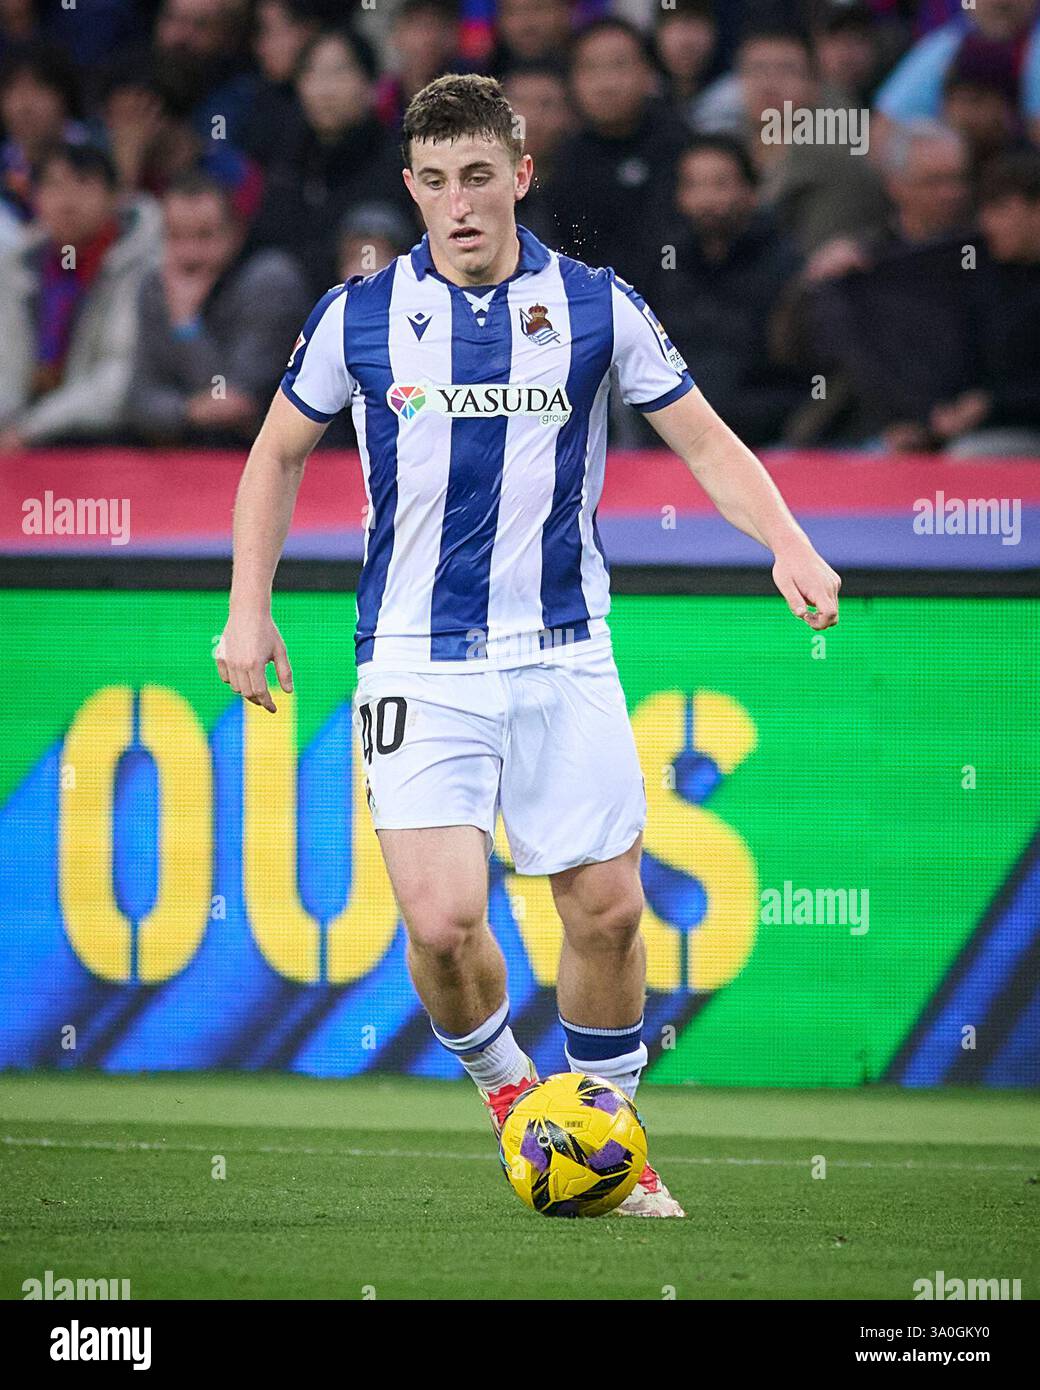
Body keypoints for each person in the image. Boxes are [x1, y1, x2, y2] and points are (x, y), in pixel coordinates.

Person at [215, 73, 840, 1218]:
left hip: (562, 651)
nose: (459, 204)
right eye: (436, 182)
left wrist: (786, 543)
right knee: (443, 924)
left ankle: (609, 1132)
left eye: (479, 179)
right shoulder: (357, 314)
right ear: (410, 187)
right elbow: (273, 454)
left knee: (604, 909)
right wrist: (245, 609)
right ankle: (517, 1100)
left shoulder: (597, 306)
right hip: (412, 655)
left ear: (520, 177)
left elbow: (702, 441)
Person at [128, 173, 309, 445]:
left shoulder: (270, 283)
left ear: (236, 232)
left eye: (205, 236)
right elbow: (137, 400)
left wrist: (186, 325)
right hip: (176, 455)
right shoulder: (156, 286)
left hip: (259, 454)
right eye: (176, 236)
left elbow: (234, 401)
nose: (190, 254)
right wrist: (187, 412)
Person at [0, 142, 159, 449]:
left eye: (84, 183)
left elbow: (119, 379)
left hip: (109, 441)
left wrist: (31, 429)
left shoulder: (143, 266)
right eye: (53, 185)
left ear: (115, 196)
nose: (67, 201)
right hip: (20, 439)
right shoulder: (18, 268)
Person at [648, 135, 804, 447]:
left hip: (763, 430)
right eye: (694, 185)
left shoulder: (785, 263)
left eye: (720, 184)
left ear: (751, 191)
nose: (706, 199)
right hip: (670, 430)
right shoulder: (666, 261)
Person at [250, 24, 414, 297]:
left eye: (339, 71)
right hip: (290, 300)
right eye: (311, 72)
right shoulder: (287, 157)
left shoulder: (396, 158)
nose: (324, 88)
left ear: (371, 83)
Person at [550, 18, 690, 289]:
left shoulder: (680, 145)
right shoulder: (564, 157)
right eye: (591, 68)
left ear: (648, 72)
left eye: (619, 65)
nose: (606, 84)